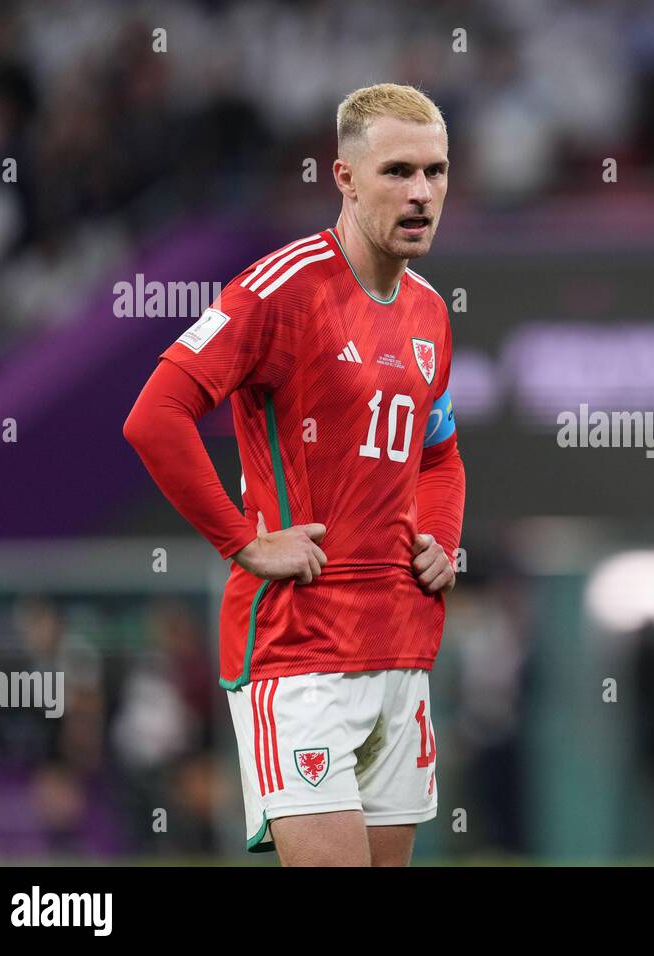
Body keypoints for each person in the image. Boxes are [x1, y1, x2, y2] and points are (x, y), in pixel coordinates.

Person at [124, 83, 464, 866]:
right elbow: (155, 416)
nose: (422, 193)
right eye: (398, 172)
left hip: (400, 646)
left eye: (437, 172)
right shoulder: (281, 290)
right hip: (301, 649)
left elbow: (440, 455)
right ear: (343, 177)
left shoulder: (430, 312)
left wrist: (441, 537)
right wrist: (243, 543)